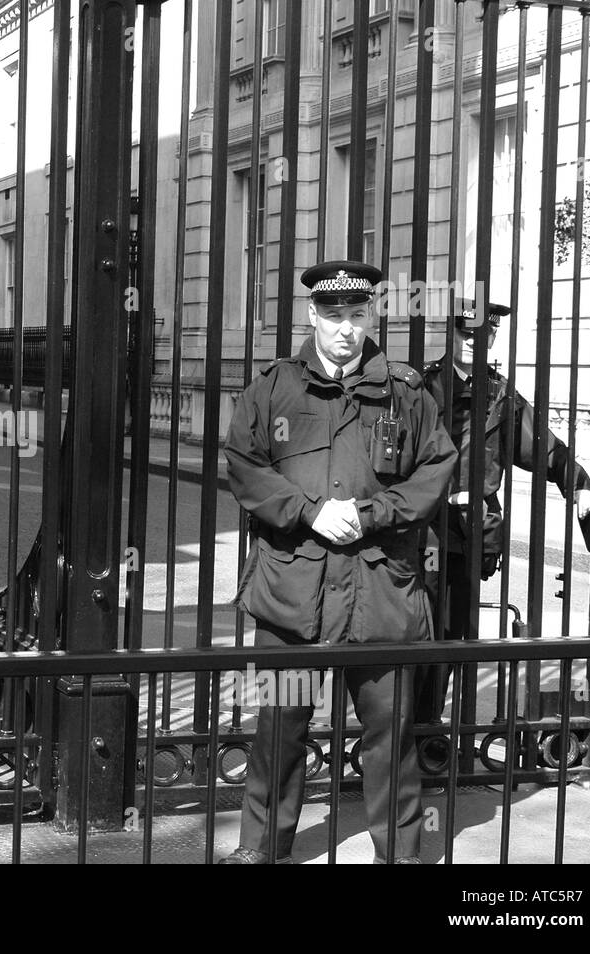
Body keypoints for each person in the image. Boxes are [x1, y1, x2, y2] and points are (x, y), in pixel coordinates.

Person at [222, 260, 457, 864]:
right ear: (312, 316)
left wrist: (375, 514)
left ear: (371, 314)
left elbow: (437, 467)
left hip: (380, 590)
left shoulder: (405, 391)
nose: (346, 329)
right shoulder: (275, 387)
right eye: (334, 316)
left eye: (357, 314)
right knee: (278, 729)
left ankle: (400, 854)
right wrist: (308, 510)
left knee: (391, 733)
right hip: (292, 591)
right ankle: (259, 848)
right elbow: (244, 463)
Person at [415, 298, 590, 727]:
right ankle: (409, 731)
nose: (477, 342)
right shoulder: (419, 388)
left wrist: (580, 484)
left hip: (471, 533)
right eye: (467, 334)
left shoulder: (498, 392)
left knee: (454, 637)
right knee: (416, 634)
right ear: (451, 334)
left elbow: (543, 447)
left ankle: (433, 733)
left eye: (487, 334)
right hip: (421, 531)